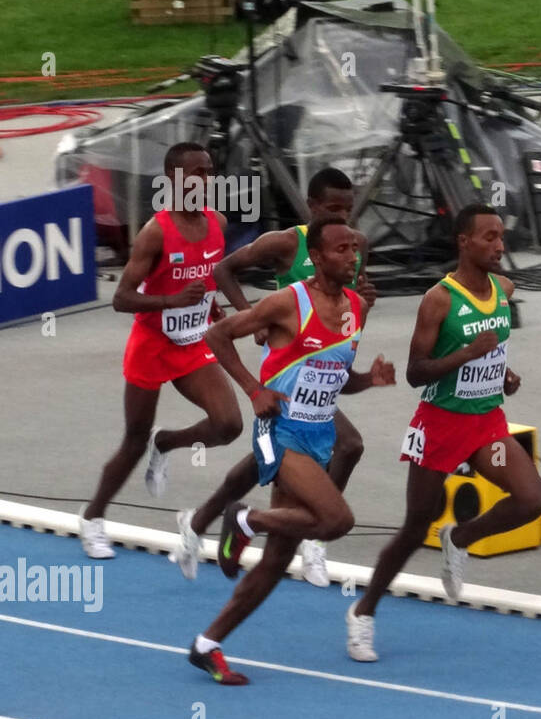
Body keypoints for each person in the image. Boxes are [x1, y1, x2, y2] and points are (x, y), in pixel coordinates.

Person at [188, 214, 393, 685]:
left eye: (355, 249)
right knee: (337, 520)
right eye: (341, 250)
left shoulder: (356, 308)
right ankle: (245, 518)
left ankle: (207, 644)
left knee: (277, 562)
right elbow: (217, 335)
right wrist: (253, 389)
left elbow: (332, 378)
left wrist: (369, 380)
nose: (352, 257)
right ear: (316, 258)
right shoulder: (287, 302)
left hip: (319, 434)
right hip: (278, 430)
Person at [345, 204, 541, 663]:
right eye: (489, 237)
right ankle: (363, 611)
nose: (499, 246)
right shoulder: (439, 298)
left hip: (485, 423)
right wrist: (470, 353)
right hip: (440, 424)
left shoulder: (504, 289)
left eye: (501, 237)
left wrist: (504, 374)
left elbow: (491, 354)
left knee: (534, 499)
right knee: (417, 525)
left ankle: (460, 539)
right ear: (463, 241)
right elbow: (418, 373)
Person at [174, 168, 376, 585]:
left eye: (348, 209)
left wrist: (365, 302)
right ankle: (307, 535)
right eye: (332, 208)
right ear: (312, 206)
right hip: (284, 369)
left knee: (259, 465)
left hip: (321, 367)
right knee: (347, 444)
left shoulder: (354, 245)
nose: (341, 216)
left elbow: (347, 301)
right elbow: (225, 269)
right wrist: (249, 316)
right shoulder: (286, 242)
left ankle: (201, 524)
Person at [80, 142, 242, 559]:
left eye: (209, 171)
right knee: (132, 440)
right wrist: (171, 302)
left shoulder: (217, 222)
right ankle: (93, 517)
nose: (206, 180)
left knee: (228, 425)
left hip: (192, 341)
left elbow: (207, 277)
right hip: (152, 344)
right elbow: (120, 298)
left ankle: (166, 442)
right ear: (174, 179)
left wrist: (214, 306)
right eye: (197, 173)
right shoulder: (155, 232)